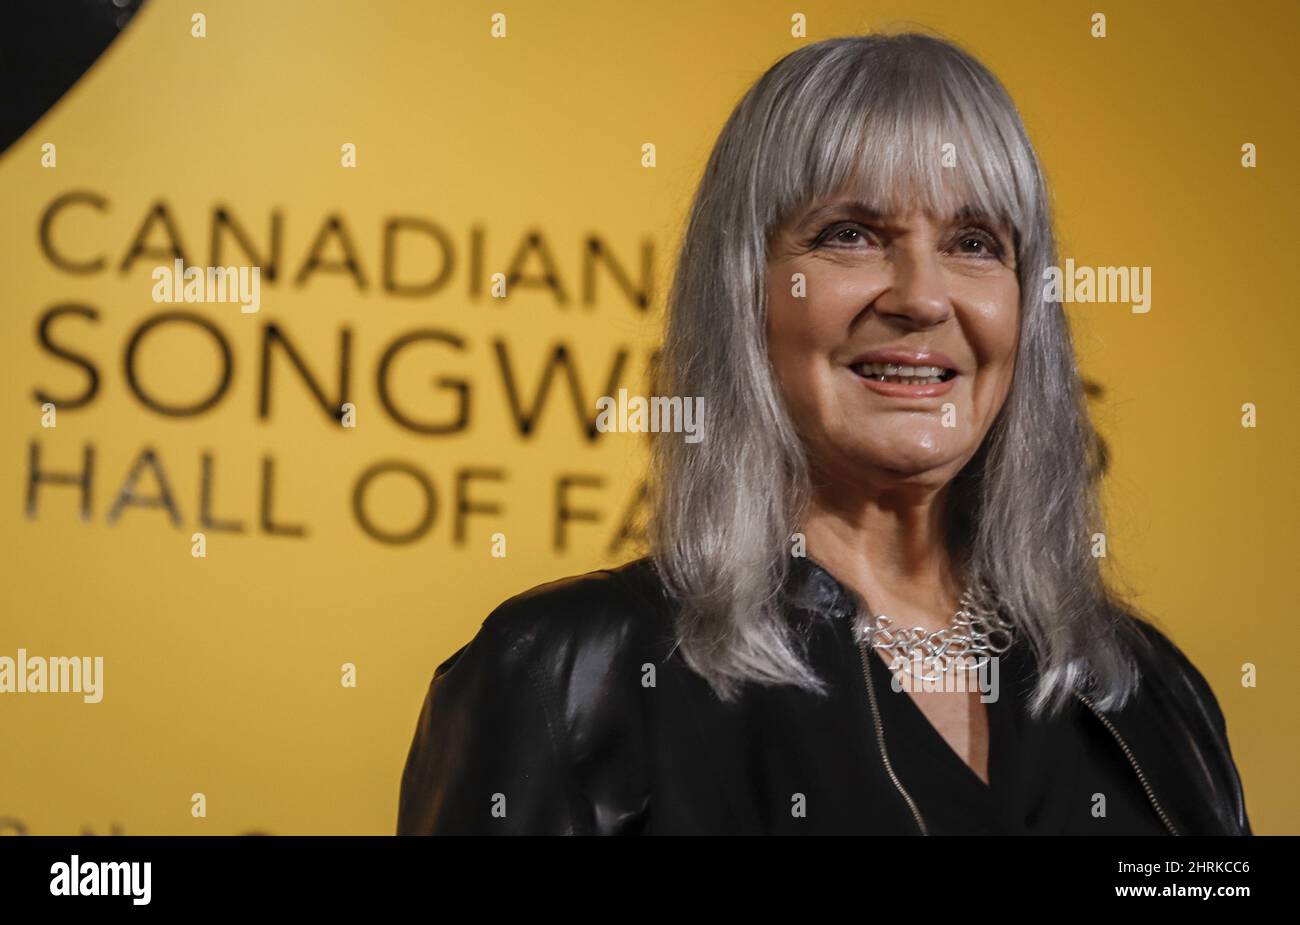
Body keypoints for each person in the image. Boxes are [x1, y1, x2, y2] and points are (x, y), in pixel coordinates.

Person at [396, 31, 1251, 835]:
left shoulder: (1151, 696)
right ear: (745, 295)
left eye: (976, 243)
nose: (922, 295)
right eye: (851, 235)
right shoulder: (570, 675)